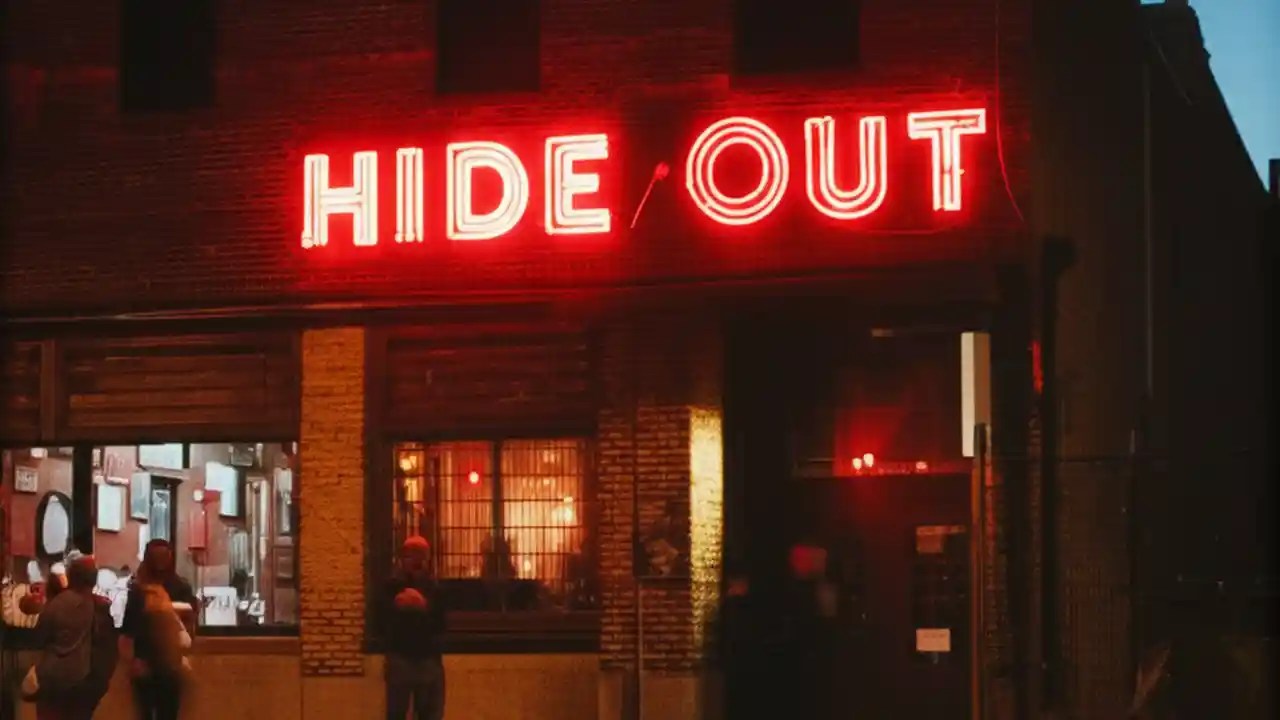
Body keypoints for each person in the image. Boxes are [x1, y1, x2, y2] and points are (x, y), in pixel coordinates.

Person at [30, 553, 118, 720]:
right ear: (93, 580)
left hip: (53, 680)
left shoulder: (57, 604)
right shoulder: (101, 607)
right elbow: (109, 650)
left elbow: (39, 637)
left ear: (71, 577)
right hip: (86, 682)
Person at [121, 539, 197, 720]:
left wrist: (133, 660)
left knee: (146, 714)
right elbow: (191, 623)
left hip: (147, 662)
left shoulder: (139, 589)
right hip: (171, 662)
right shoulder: (181, 587)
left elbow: (129, 629)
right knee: (168, 713)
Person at [380, 536, 447, 720]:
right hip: (404, 657)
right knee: (399, 712)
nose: (416, 561)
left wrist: (422, 605)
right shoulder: (393, 586)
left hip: (425, 657)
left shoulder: (433, 587)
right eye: (411, 555)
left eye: (420, 556)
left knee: (427, 713)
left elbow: (441, 622)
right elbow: (382, 618)